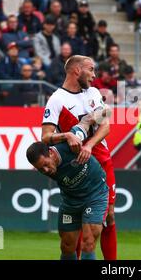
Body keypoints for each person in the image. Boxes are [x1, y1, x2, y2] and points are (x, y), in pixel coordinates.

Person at [41, 55, 117, 260]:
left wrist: (90, 145)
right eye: (91, 70)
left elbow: (106, 125)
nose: (94, 75)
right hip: (76, 165)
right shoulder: (57, 99)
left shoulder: (92, 93)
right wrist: (66, 135)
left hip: (100, 158)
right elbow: (45, 137)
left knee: (109, 216)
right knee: (77, 226)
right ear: (76, 70)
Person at [27, 108, 112, 260]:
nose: (46, 170)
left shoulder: (70, 144)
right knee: (66, 246)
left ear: (51, 153)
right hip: (71, 201)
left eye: (46, 164)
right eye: (40, 169)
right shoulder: (45, 166)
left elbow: (93, 117)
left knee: (88, 242)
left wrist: (88, 145)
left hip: (95, 194)